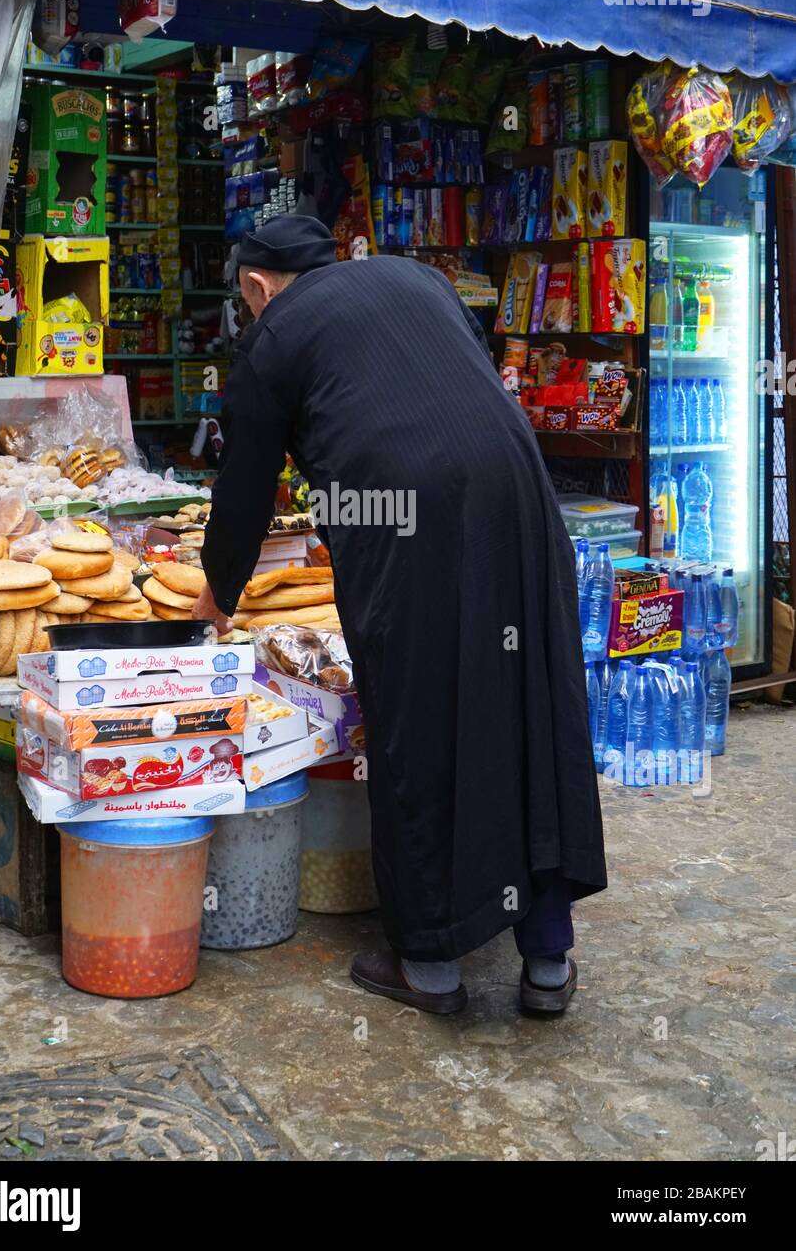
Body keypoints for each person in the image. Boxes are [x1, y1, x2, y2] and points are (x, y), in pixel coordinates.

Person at [194, 214, 606, 1016]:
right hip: (520, 492)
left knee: (418, 713)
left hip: (401, 514)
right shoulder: (417, 276)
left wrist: (217, 598)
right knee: (530, 698)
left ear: (258, 287)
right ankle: (546, 958)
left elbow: (242, 492)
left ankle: (429, 964)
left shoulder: (273, 335)